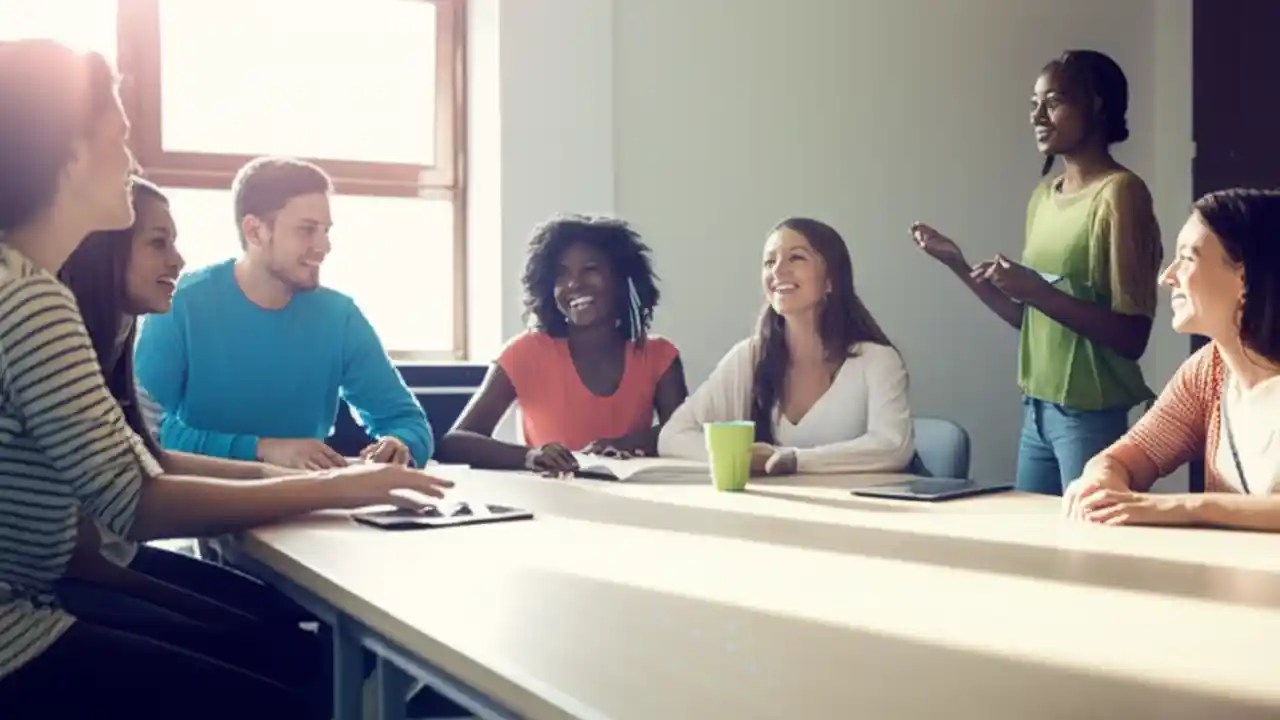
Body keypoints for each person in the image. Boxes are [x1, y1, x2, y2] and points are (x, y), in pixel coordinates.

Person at [0, 39, 452, 718]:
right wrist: (334, 486)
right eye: (119, 141)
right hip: (19, 634)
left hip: (34, 605)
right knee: (300, 695)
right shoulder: (31, 299)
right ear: (69, 158)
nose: (129, 162)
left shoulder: (21, 285)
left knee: (293, 661)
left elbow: (134, 463)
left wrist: (318, 481)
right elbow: (135, 502)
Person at [57, 176, 311, 626]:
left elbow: (153, 460)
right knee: (277, 644)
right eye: (159, 243)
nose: (178, 259)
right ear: (103, 251)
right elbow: (114, 529)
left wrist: (293, 479)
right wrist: (320, 490)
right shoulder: (60, 345)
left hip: (116, 563)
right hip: (76, 587)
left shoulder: (116, 336)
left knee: (285, 623)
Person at [910, 50, 1163, 495]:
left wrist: (1038, 292)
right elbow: (1029, 322)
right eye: (1033, 104)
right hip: (1037, 413)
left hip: (1090, 415)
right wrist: (957, 263)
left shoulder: (1121, 194)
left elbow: (1132, 336)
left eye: (1054, 101)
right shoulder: (1044, 196)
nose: (1037, 116)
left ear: (1097, 106)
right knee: (1036, 547)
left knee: (1090, 554)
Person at [134, 156, 431, 471]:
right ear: (255, 231)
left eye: (325, 231)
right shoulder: (181, 304)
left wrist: (400, 445)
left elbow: (407, 421)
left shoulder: (340, 317)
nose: (324, 246)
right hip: (206, 501)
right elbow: (145, 430)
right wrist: (262, 449)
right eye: (307, 230)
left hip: (311, 508)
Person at [1063, 189, 1280, 530]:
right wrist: (1103, 481)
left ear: (1245, 279)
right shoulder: (1207, 372)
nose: (1167, 276)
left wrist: (1184, 507)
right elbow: (1126, 456)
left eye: (1188, 258)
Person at [658, 218, 914, 475]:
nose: (778, 271)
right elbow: (672, 435)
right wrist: (738, 458)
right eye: (769, 262)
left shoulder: (878, 360)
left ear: (830, 280)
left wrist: (793, 460)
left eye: (796, 258)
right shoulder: (749, 358)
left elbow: (893, 447)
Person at [436, 214, 688, 473]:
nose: (574, 284)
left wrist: (627, 444)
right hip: (552, 502)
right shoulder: (526, 352)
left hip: (638, 503)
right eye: (561, 274)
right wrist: (532, 457)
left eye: (590, 270)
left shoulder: (658, 356)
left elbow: (684, 435)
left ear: (622, 281)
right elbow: (455, 443)